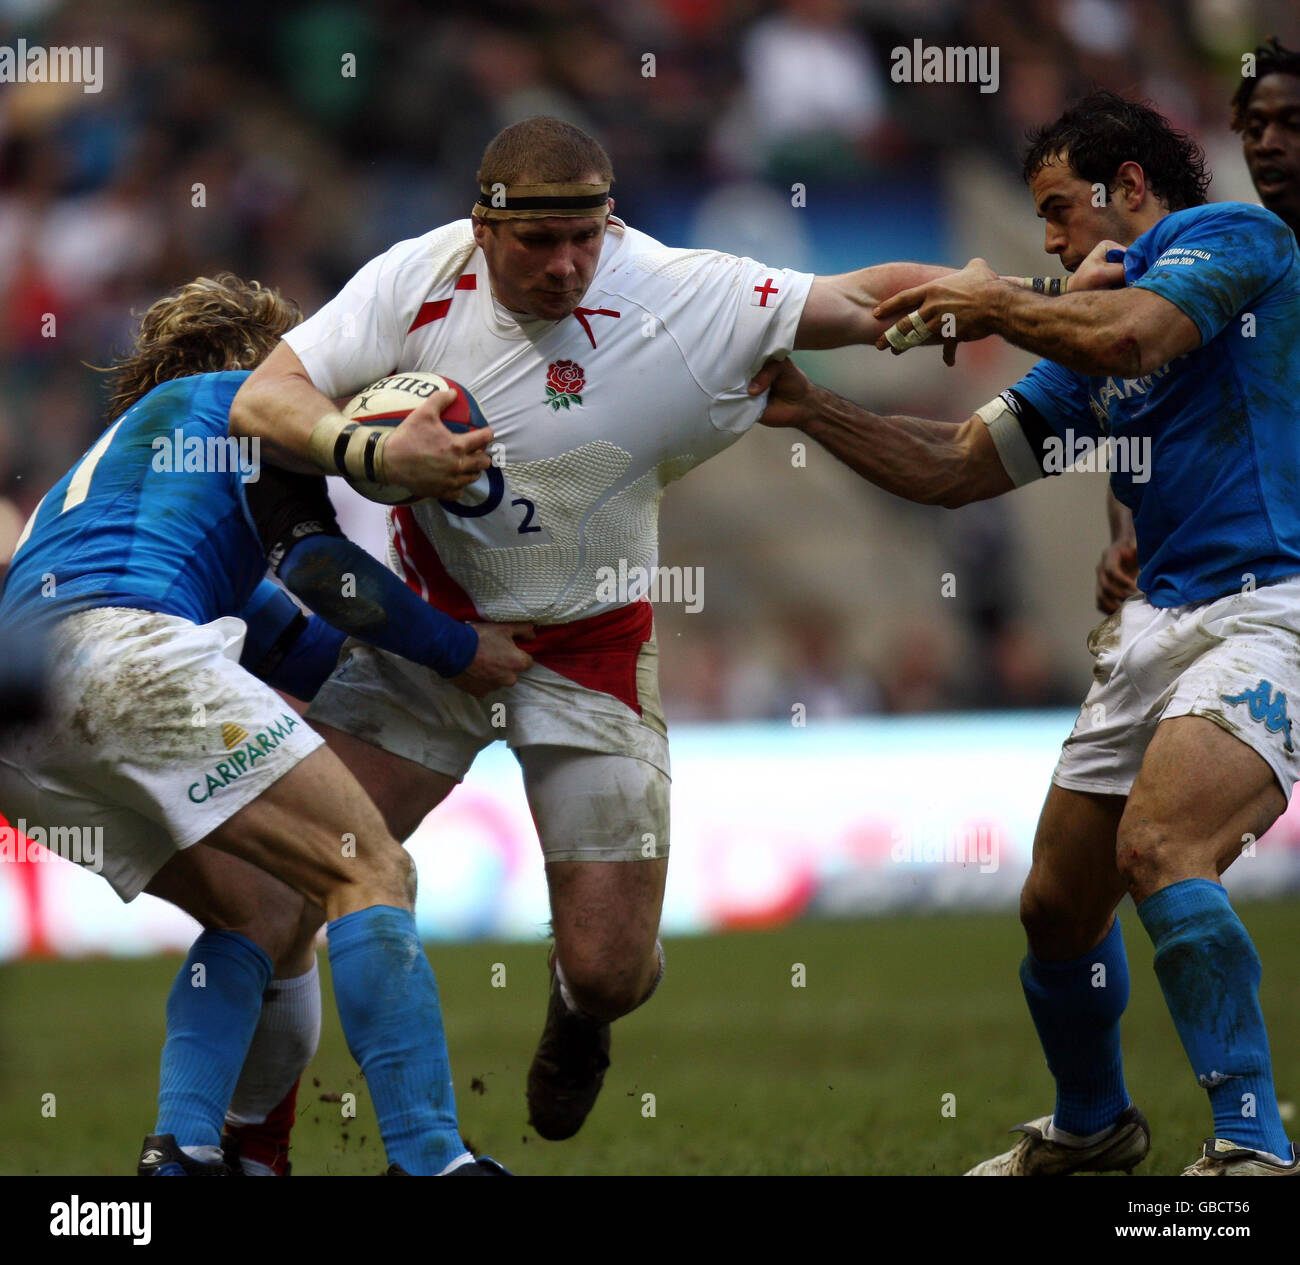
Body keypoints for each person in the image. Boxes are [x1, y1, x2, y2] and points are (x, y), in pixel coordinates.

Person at [228, 114, 951, 1141]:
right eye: (539, 243)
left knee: (614, 969)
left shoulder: (676, 290)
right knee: (281, 890)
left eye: (587, 238)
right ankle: (241, 1152)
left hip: (593, 648)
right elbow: (264, 399)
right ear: (483, 227)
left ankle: (579, 1009)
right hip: (429, 635)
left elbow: (857, 301)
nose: (569, 266)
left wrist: (996, 296)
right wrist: (367, 452)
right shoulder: (410, 281)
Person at [755, 90, 1300, 1175]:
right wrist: (812, 407)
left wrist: (995, 298)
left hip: (1268, 604)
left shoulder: (1235, 236)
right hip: (1154, 620)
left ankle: (1250, 1142)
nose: (1049, 239)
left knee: (1160, 848)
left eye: (1059, 210)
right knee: (1056, 905)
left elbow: (1142, 329)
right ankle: (1094, 1127)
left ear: (1129, 189)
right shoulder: (1078, 342)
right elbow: (959, 465)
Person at [0, 274, 526, 1175]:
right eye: (299, 366)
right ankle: (431, 1158)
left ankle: (186, 1152)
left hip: (23, 724)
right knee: (369, 868)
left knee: (261, 911)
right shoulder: (228, 403)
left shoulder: (125, 484)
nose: (311, 383)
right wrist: (458, 649)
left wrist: (441, 695)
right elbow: (322, 570)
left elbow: (308, 649)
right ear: (258, 368)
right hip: (122, 653)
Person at [1096, 36, 1300, 615]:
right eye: (1254, 127)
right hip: (1239, 603)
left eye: (1291, 123)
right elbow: (1148, 416)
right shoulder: (1215, 268)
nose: (1268, 143)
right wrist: (1126, 535)